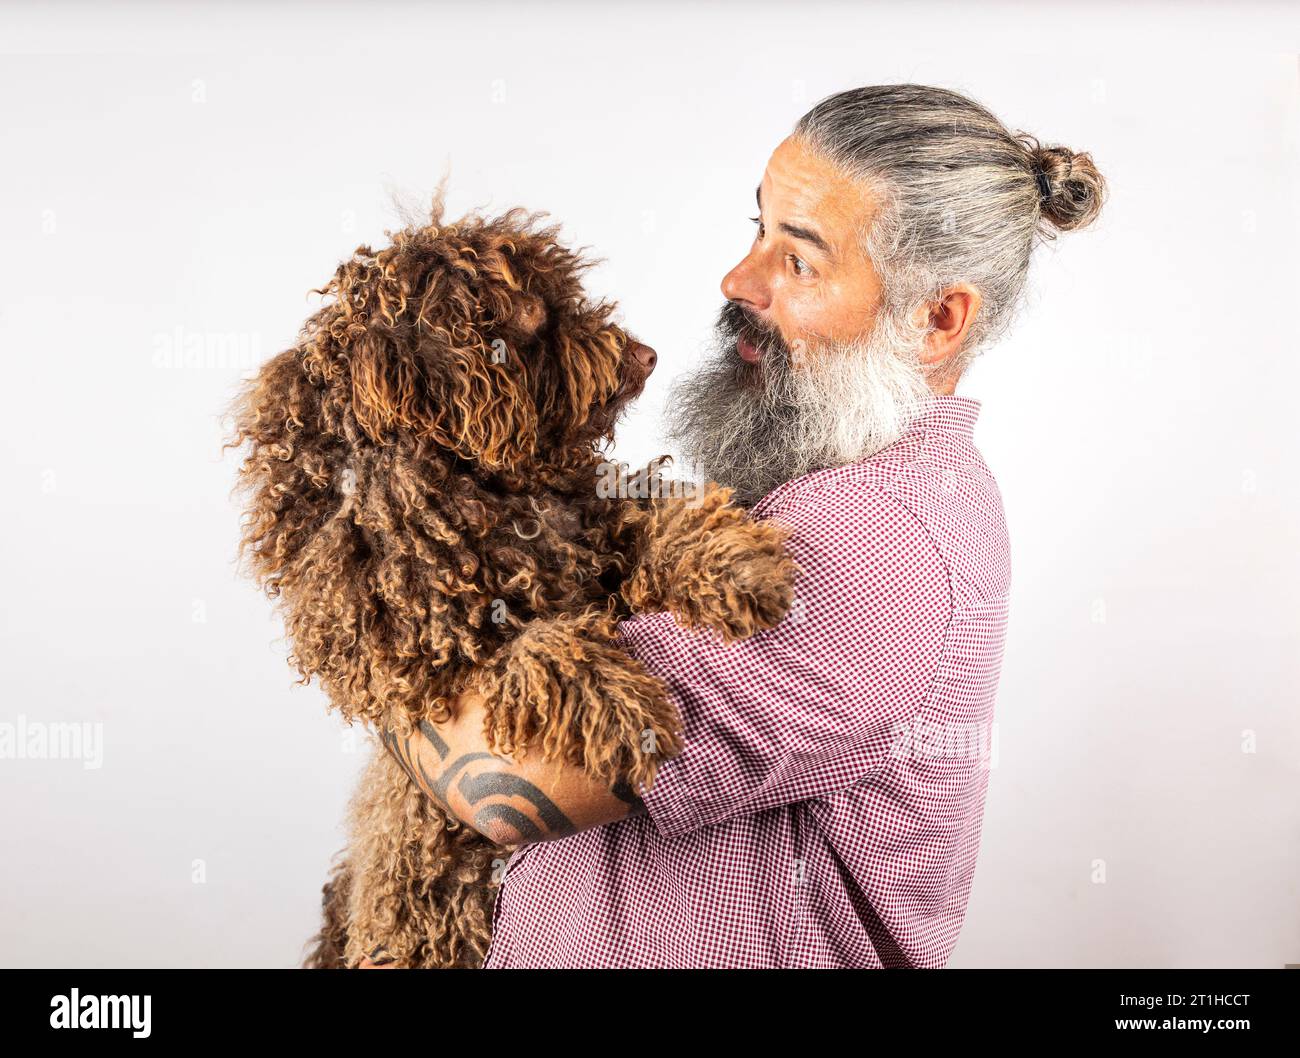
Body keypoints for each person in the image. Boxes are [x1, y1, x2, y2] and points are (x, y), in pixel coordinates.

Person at [367, 83, 1105, 968]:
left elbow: (512, 780)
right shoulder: (823, 485)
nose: (738, 281)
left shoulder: (875, 541)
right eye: (758, 230)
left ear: (937, 320)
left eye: (800, 262)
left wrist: (357, 594)